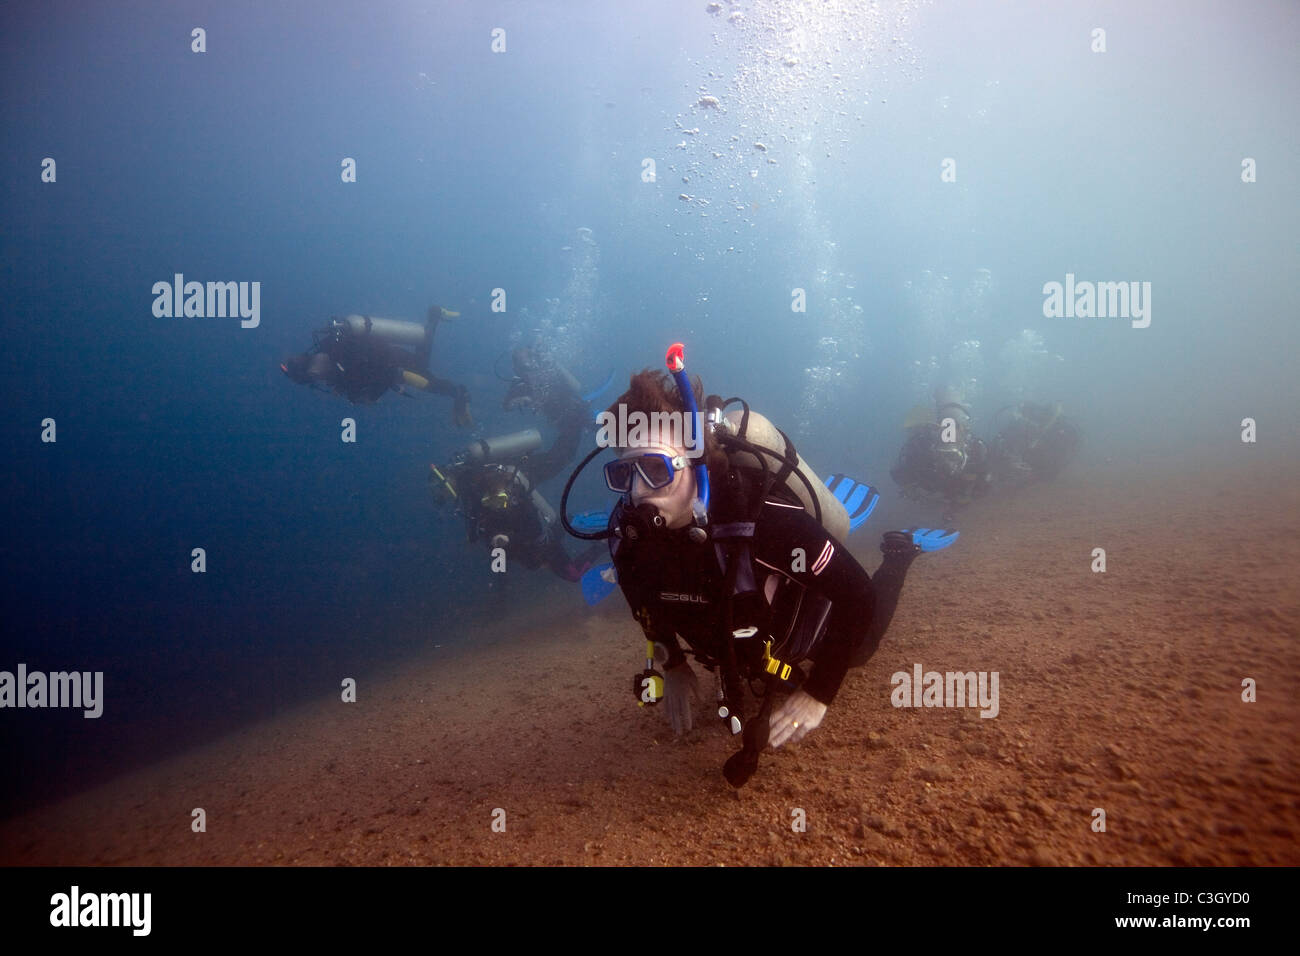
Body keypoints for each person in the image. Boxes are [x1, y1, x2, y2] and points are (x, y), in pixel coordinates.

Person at [560, 344, 950, 787]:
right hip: (740, 642)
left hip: (798, 628)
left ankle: (899, 556)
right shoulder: (627, 536)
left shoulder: (762, 519)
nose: (638, 492)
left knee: (860, 651)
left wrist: (818, 693)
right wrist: (673, 665)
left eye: (655, 469)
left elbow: (855, 595)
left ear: (696, 465)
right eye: (623, 475)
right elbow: (642, 602)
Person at [431, 429, 604, 582]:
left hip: (537, 538)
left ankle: (598, 540)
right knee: (547, 547)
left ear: (447, 481)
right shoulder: (472, 492)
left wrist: (507, 539)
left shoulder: (478, 491)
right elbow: (492, 525)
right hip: (534, 540)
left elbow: (524, 520)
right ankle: (571, 522)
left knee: (573, 574)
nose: (443, 497)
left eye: (442, 491)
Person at [281, 305, 472, 426]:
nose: (320, 378)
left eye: (315, 378)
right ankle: (433, 322)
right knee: (423, 364)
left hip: (394, 361)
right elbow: (364, 373)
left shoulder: (335, 361)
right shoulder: (330, 349)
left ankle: (458, 392)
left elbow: (375, 375)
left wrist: (368, 396)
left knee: (428, 377)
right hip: (389, 358)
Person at [889, 385, 990, 512]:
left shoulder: (921, 444)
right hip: (945, 488)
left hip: (940, 488)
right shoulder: (924, 444)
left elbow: (900, 472)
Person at [990, 401, 1080, 487]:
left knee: (1043, 466)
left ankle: (1042, 472)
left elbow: (1057, 451)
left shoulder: (1055, 430)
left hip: (1051, 458)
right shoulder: (1036, 425)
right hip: (1049, 457)